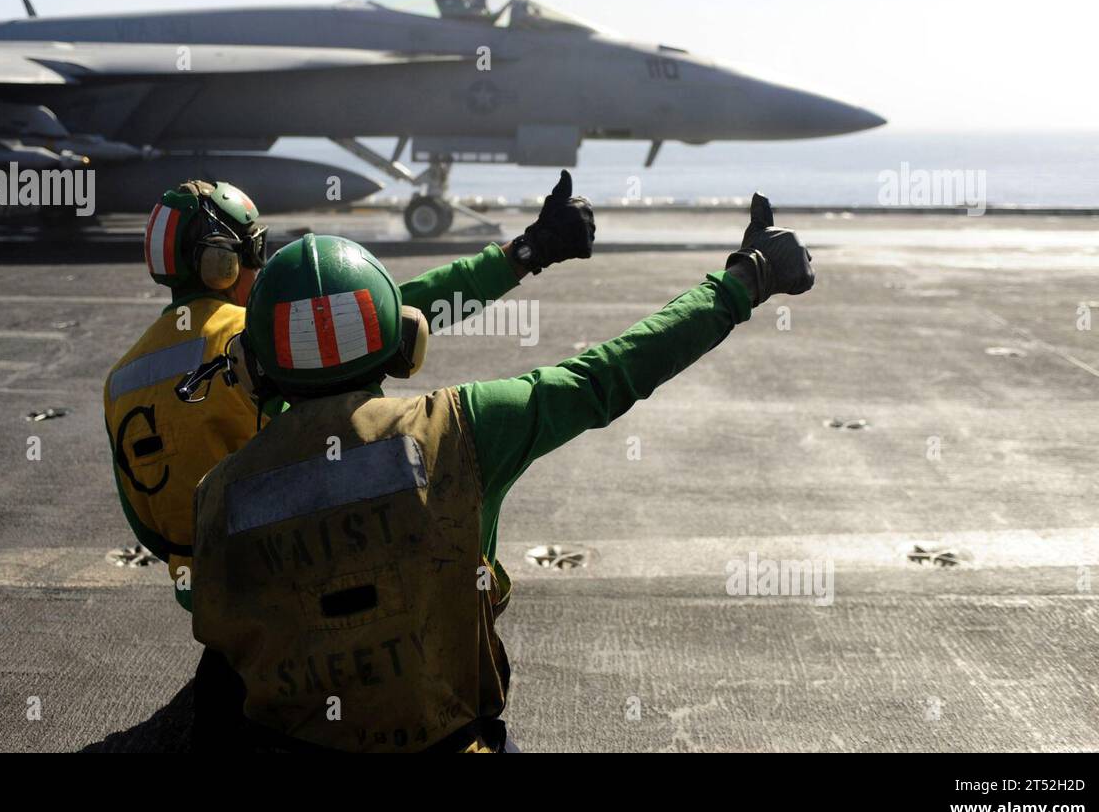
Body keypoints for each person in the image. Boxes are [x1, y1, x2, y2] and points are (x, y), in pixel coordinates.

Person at [188, 182, 814, 752]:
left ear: (251, 363)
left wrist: (525, 252)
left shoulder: (218, 495)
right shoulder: (467, 427)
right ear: (405, 342)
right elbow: (610, 373)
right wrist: (743, 281)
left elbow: (225, 642)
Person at [104, 176, 596, 612]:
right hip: (296, 574)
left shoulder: (121, 378)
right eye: (257, 249)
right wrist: (528, 252)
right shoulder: (254, 338)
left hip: (207, 597)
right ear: (223, 264)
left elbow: (145, 527)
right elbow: (393, 312)